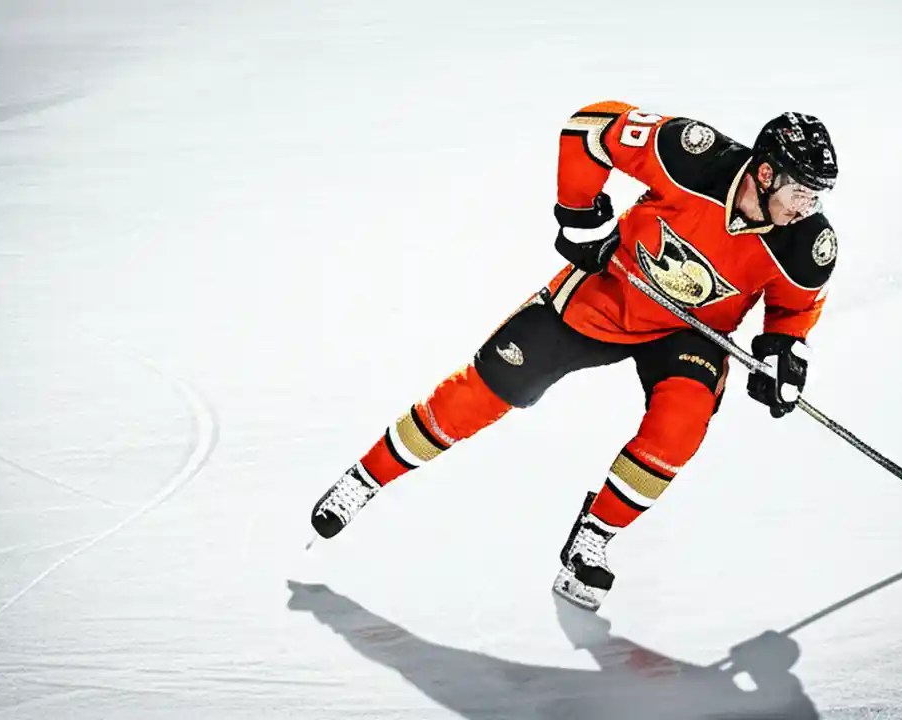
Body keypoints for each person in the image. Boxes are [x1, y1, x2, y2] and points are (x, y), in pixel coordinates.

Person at [310, 102, 840, 611]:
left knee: (679, 427)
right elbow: (591, 128)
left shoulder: (809, 245)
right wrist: (579, 212)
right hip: (610, 293)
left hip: (692, 335)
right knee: (483, 391)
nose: (806, 209)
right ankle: (365, 478)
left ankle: (594, 536)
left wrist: (783, 353)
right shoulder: (691, 154)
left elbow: (793, 310)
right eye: (800, 192)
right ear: (765, 174)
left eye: (816, 198)